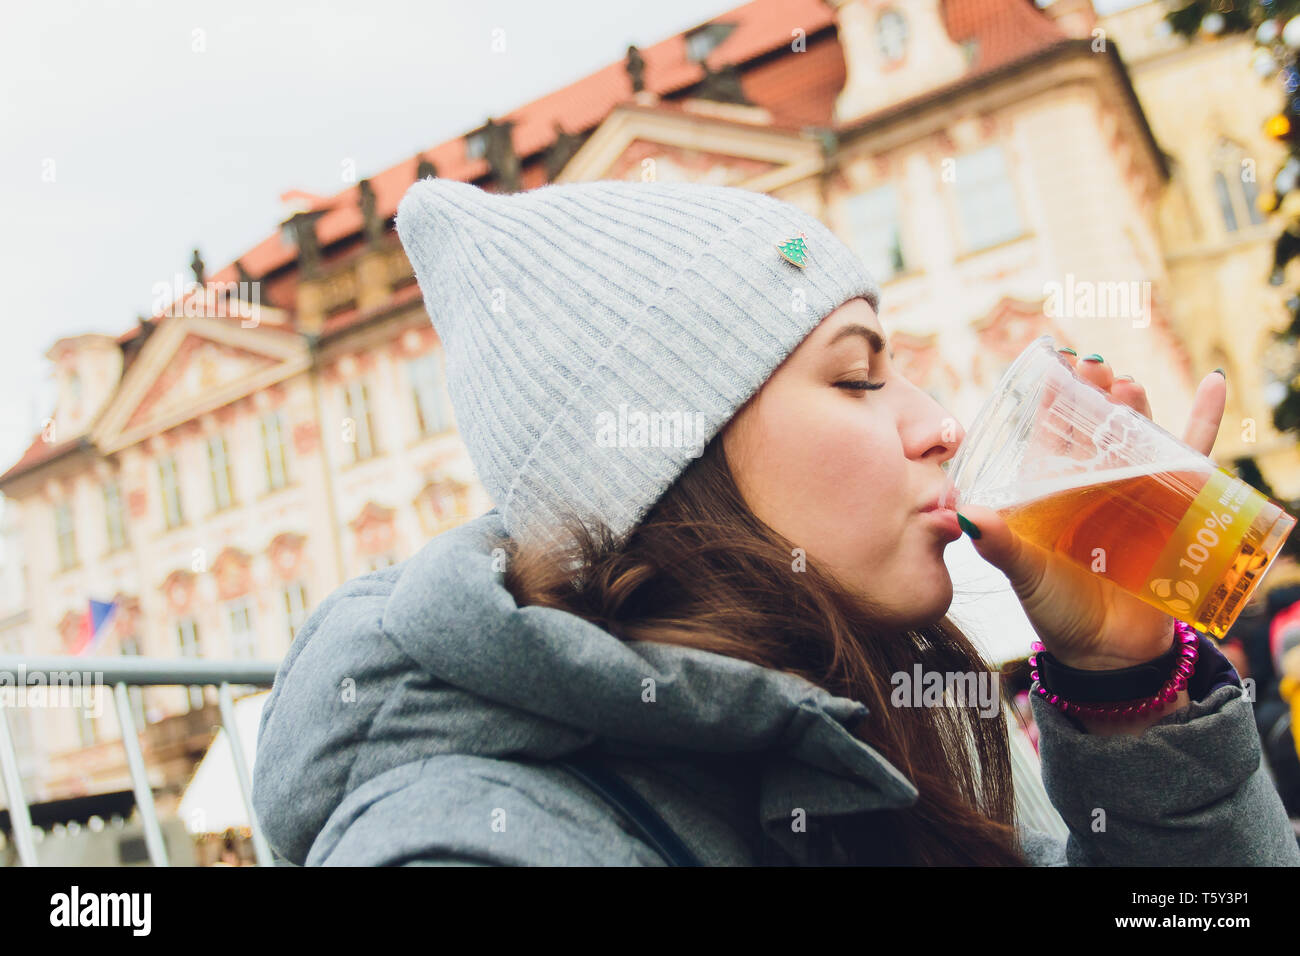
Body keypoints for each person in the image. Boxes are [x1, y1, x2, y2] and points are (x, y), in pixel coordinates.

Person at [252, 177, 1300, 866]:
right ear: (669, 467)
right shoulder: (475, 846)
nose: (939, 422)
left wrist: (1122, 680)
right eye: (855, 374)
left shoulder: (889, 727)